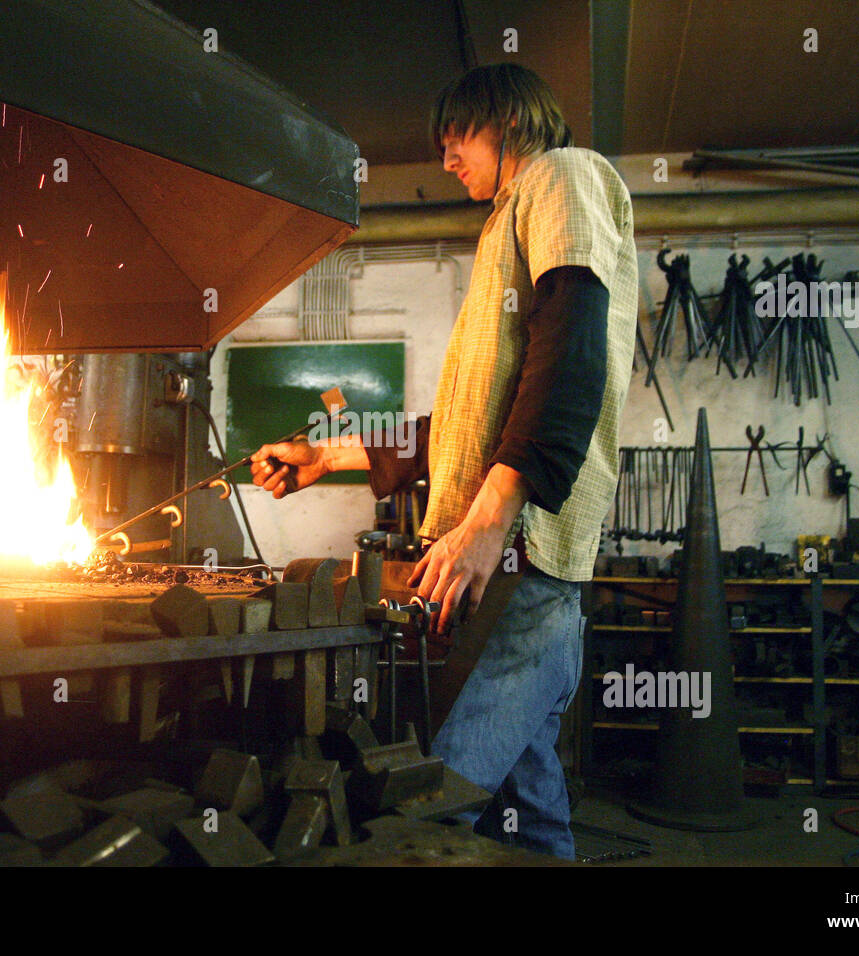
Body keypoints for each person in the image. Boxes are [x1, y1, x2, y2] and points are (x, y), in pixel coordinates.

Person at [249, 63, 637, 859]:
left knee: (429, 809)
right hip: (517, 565)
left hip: (524, 562)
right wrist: (324, 457)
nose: (447, 159)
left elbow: (570, 354)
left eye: (458, 138)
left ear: (509, 121)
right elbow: (460, 430)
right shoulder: (505, 222)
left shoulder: (563, 176)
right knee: (529, 806)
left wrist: (490, 522)